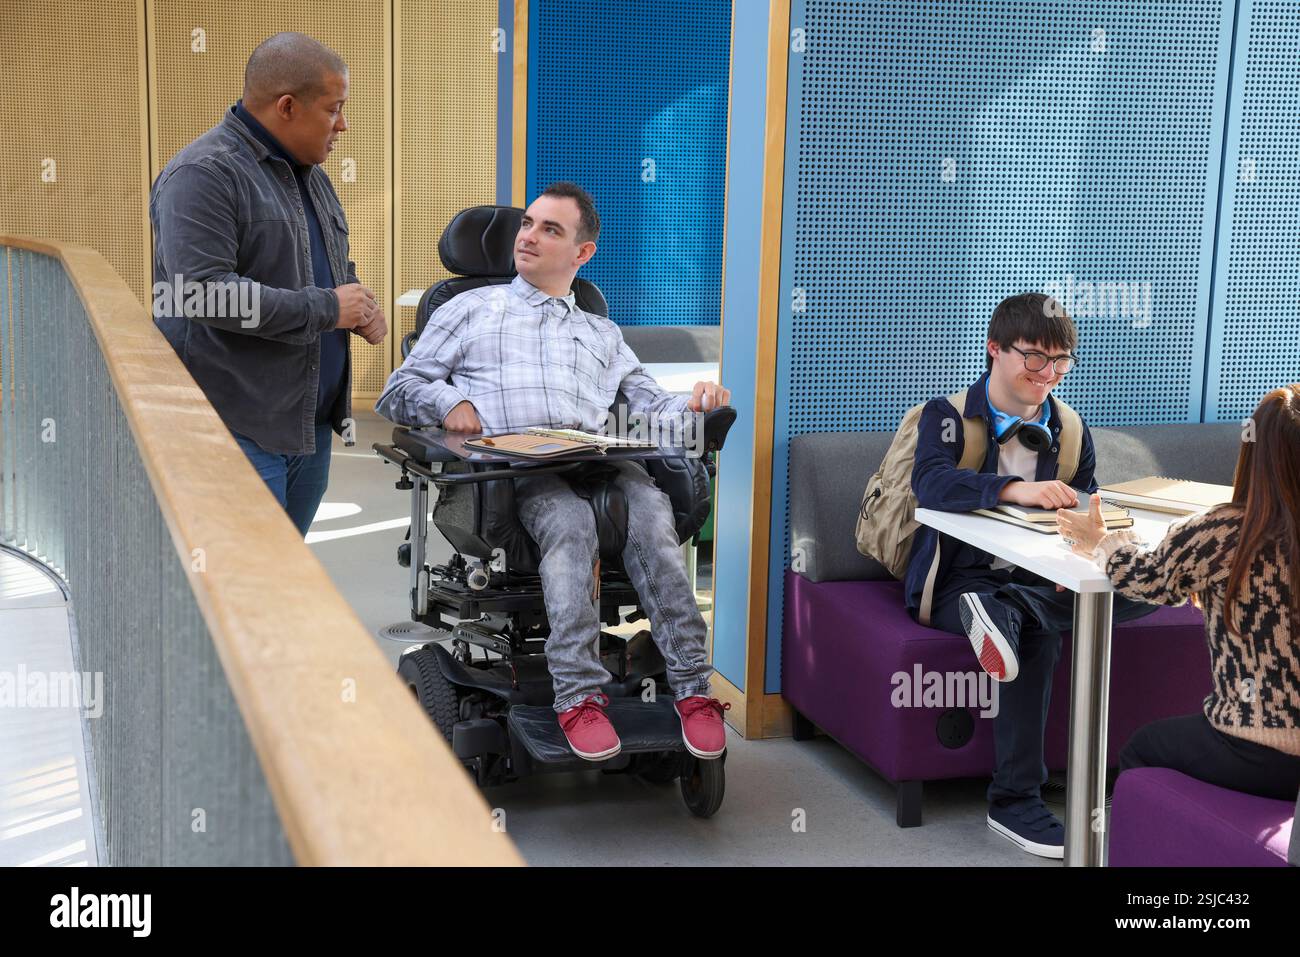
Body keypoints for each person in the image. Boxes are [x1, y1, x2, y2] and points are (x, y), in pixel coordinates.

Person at [375, 182, 731, 762]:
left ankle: (693, 691)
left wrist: (694, 406)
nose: (529, 237)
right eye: (528, 225)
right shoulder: (468, 309)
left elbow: (649, 408)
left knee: (651, 510)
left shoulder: (601, 332)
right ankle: (577, 698)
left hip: (597, 461)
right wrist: (447, 405)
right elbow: (400, 389)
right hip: (513, 474)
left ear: (582, 253)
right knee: (568, 518)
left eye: (550, 229)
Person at [907, 292, 1158, 859]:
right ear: (995, 349)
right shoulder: (947, 417)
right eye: (1035, 358)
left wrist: (1098, 524)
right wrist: (1014, 489)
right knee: (1038, 636)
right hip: (956, 584)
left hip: (1035, 582)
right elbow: (932, 484)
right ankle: (1015, 801)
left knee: (1155, 587)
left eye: (1061, 362)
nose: (1048, 374)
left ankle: (1013, 613)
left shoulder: (1069, 428)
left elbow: (1083, 496)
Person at [150, 32, 387, 535]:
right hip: (236, 428)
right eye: (334, 109)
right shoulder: (203, 174)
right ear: (286, 106)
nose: (342, 124)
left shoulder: (309, 172)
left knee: (282, 575)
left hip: (307, 426)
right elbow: (200, 293)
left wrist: (359, 300)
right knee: (240, 589)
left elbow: (330, 261)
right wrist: (328, 308)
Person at [1058, 384, 1300, 801]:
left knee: (1140, 749)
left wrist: (1105, 542)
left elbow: (1146, 581)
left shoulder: (1222, 531)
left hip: (1252, 748)